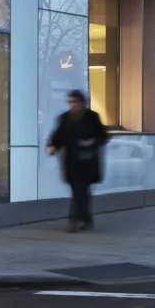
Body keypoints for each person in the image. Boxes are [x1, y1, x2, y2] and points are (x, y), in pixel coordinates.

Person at [46, 89, 109, 232]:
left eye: (74, 102)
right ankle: (84, 219)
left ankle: (76, 219)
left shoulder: (92, 117)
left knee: (80, 189)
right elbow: (59, 136)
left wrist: (91, 142)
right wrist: (53, 146)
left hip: (88, 160)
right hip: (72, 161)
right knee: (79, 189)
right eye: (70, 102)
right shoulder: (65, 118)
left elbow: (102, 136)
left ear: (81, 102)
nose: (72, 105)